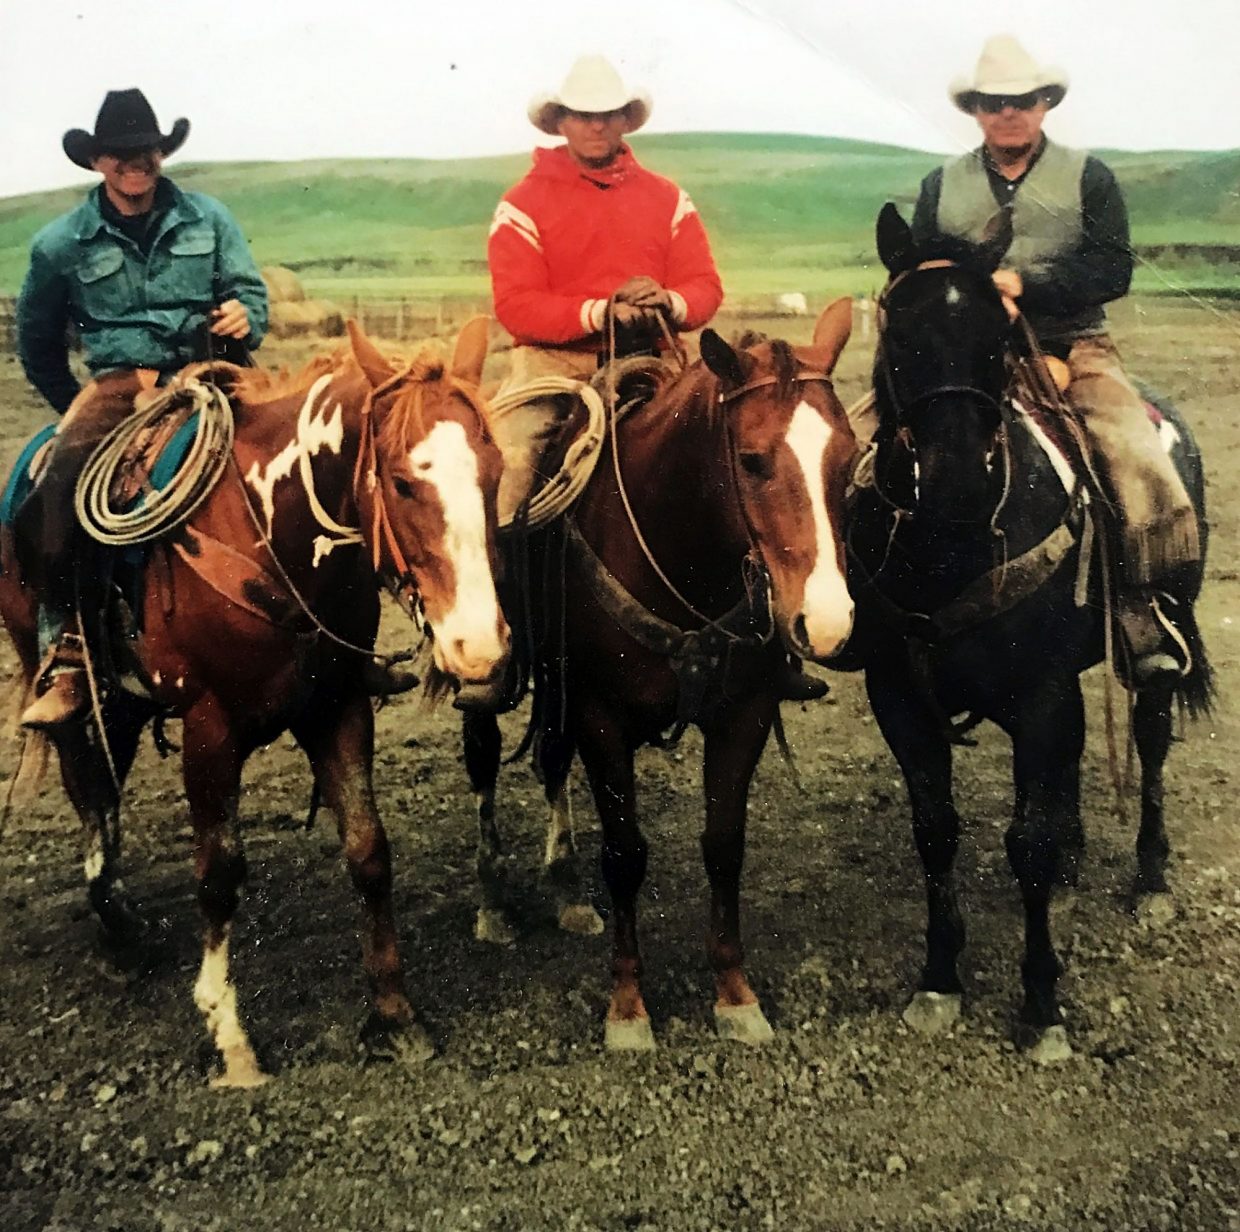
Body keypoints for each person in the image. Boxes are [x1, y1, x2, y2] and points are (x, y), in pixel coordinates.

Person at [483, 54, 827, 704]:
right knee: (506, 485)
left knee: (744, 470)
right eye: (582, 115)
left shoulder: (666, 197)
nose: (594, 126)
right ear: (561, 121)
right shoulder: (522, 203)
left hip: (659, 357)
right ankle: (509, 649)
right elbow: (516, 305)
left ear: (622, 121)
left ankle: (770, 645)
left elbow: (705, 286)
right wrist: (600, 308)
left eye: (605, 114)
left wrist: (666, 301)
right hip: (556, 368)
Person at [911, 35, 1201, 686]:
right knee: (868, 442)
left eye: (1020, 100)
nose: (1007, 112)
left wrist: (1027, 285)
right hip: (970, 352)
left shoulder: (1088, 176)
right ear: (976, 110)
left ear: (1044, 104)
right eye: (993, 102)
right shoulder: (941, 186)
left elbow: (1113, 267)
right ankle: (880, 602)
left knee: (1132, 450)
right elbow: (925, 268)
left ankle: (1140, 604)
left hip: (1075, 344)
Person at [15, 88, 269, 728]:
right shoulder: (59, 243)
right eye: (120, 153)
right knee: (59, 488)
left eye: (145, 150)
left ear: (162, 152)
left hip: (214, 369)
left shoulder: (209, 218)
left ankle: (336, 636)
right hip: (119, 387)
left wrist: (248, 315)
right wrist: (76, 408)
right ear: (98, 161)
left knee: (310, 452)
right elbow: (37, 342)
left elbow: (247, 291)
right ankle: (70, 657)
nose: (136, 162)